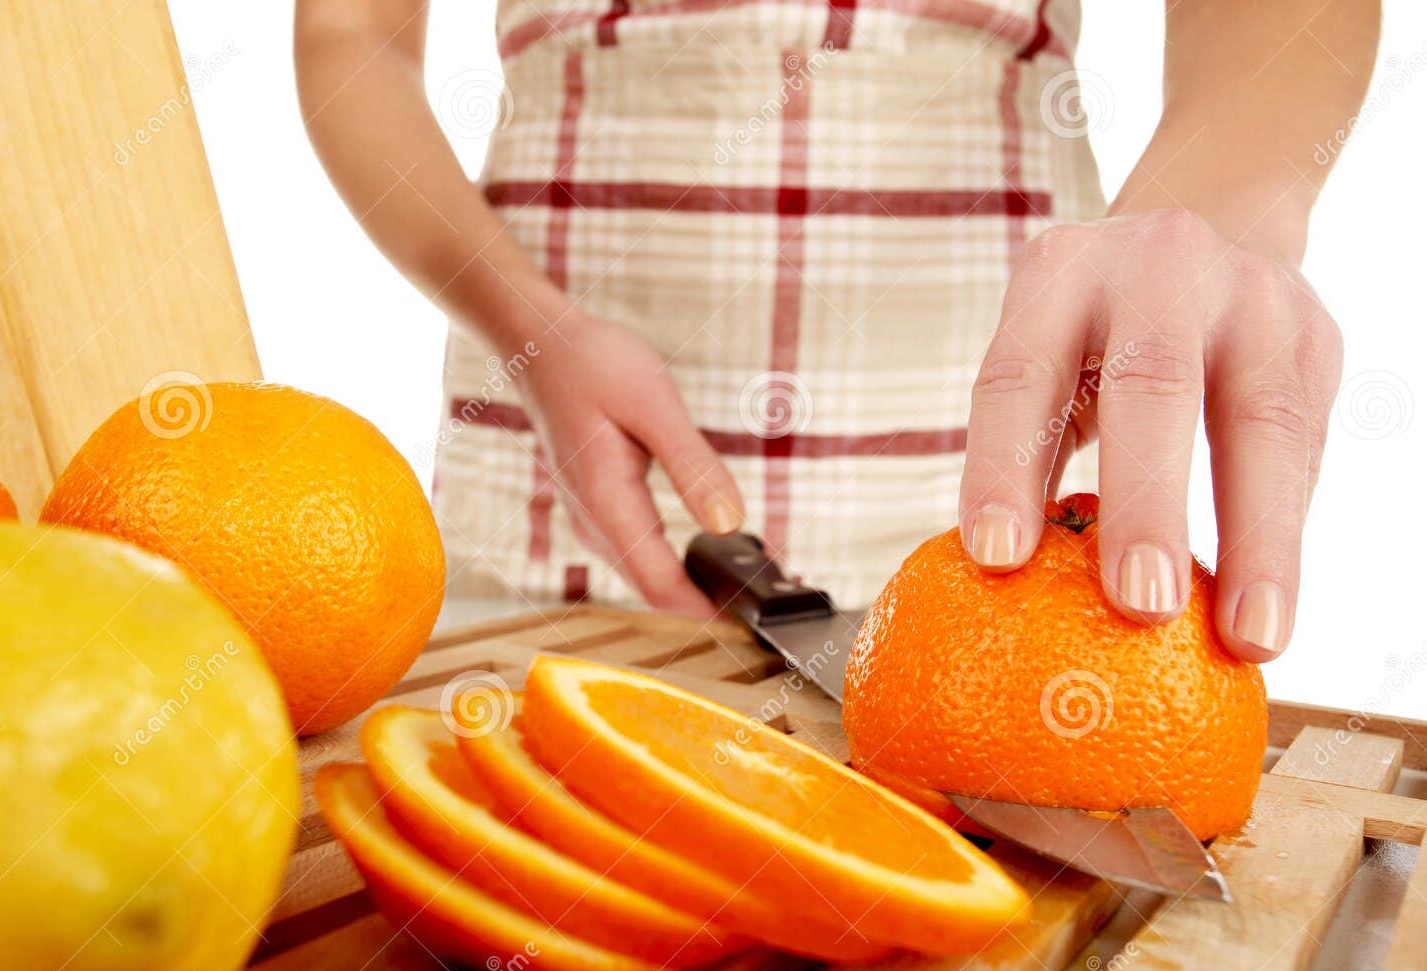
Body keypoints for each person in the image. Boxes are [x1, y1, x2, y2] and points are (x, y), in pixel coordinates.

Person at [294, 0, 1377, 662]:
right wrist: (527, 328)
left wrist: (1208, 230)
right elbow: (352, 33)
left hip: (970, 555)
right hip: (543, 506)